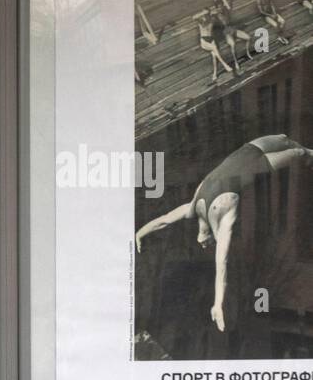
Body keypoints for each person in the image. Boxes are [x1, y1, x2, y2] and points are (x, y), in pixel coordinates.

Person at [134, 134, 313, 332]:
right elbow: (164, 220)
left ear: (208, 238)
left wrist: (218, 304)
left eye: (208, 244)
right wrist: (140, 233)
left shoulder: (212, 217)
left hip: (252, 157)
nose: (209, 244)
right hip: (251, 155)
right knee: (297, 149)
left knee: (291, 145)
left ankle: (309, 157)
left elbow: (222, 268)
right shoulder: (194, 207)